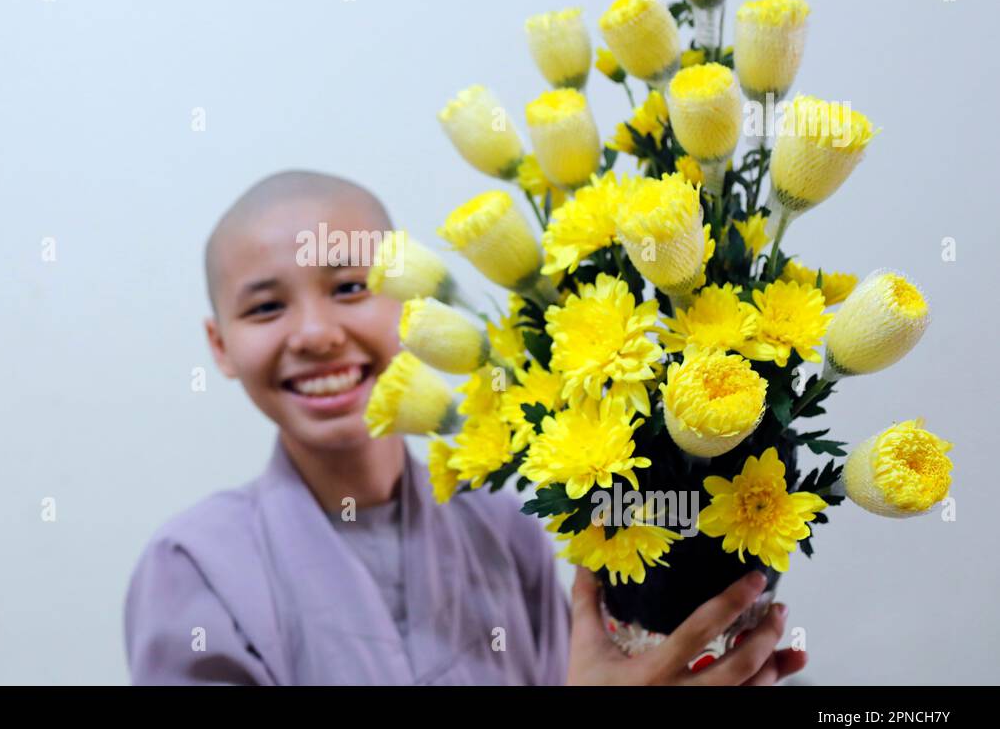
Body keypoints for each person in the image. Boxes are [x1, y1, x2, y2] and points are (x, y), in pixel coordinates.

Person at [122, 170, 807, 685]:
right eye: (267, 307)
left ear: (409, 301)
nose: (316, 334)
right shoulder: (194, 569)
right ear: (219, 346)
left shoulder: (503, 534)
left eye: (350, 288)